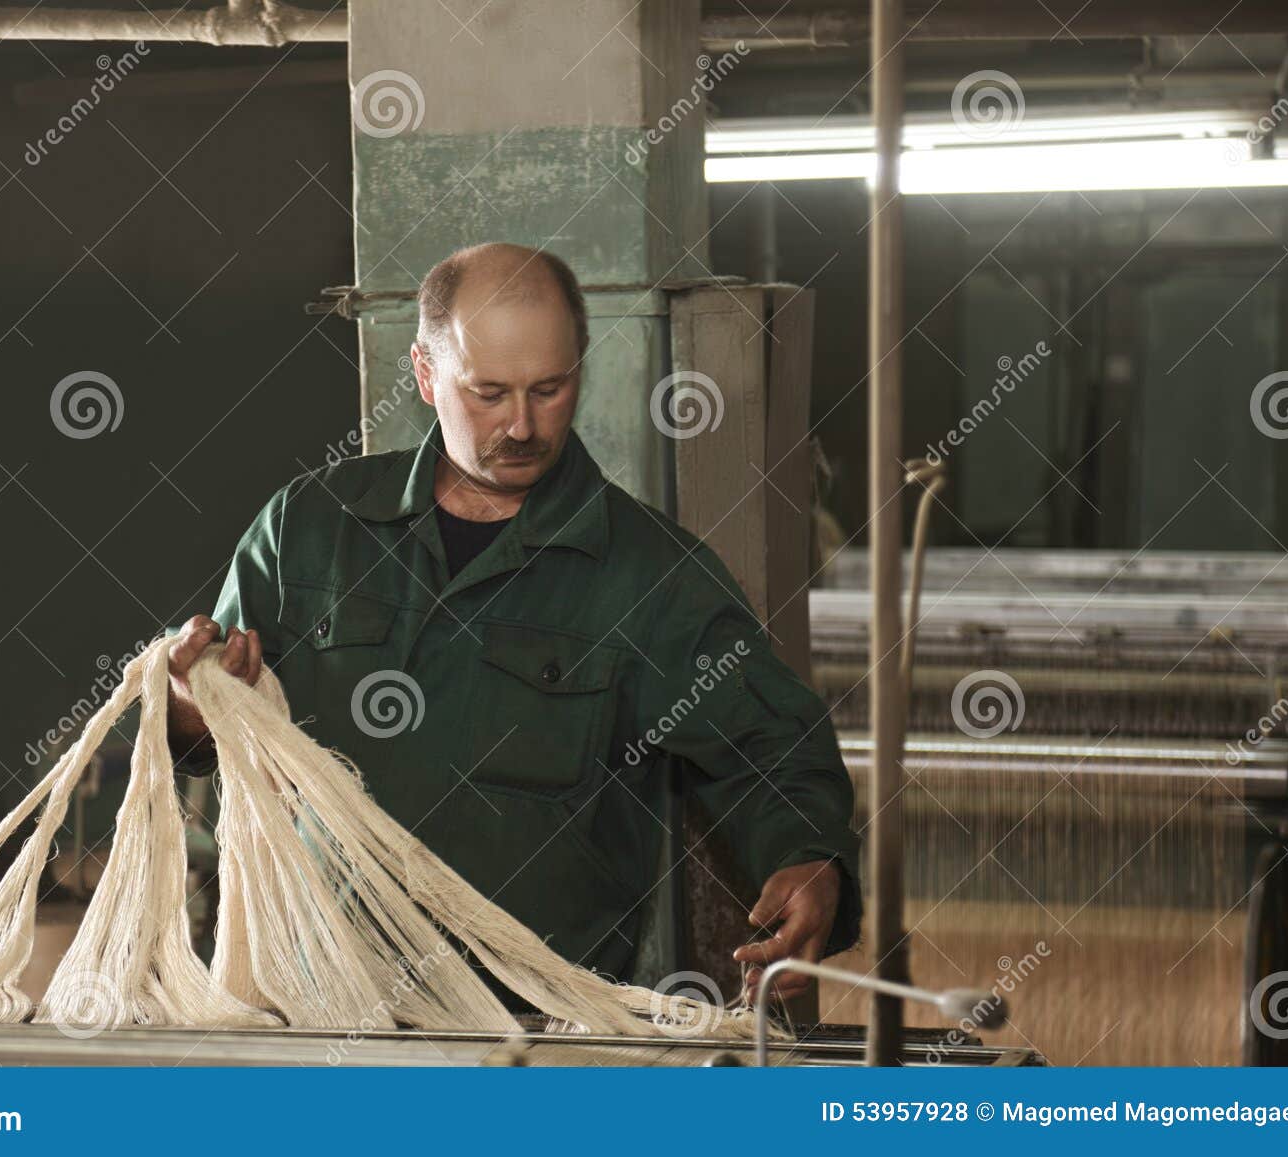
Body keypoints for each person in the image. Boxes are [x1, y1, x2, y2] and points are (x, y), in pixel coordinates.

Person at [167, 242, 860, 1004]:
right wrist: (187, 708)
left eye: (550, 389)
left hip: (532, 1025)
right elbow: (221, 707)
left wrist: (809, 856)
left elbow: (769, 746)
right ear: (426, 377)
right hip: (315, 1001)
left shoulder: (647, 576)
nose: (524, 426)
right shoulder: (308, 530)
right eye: (489, 393)